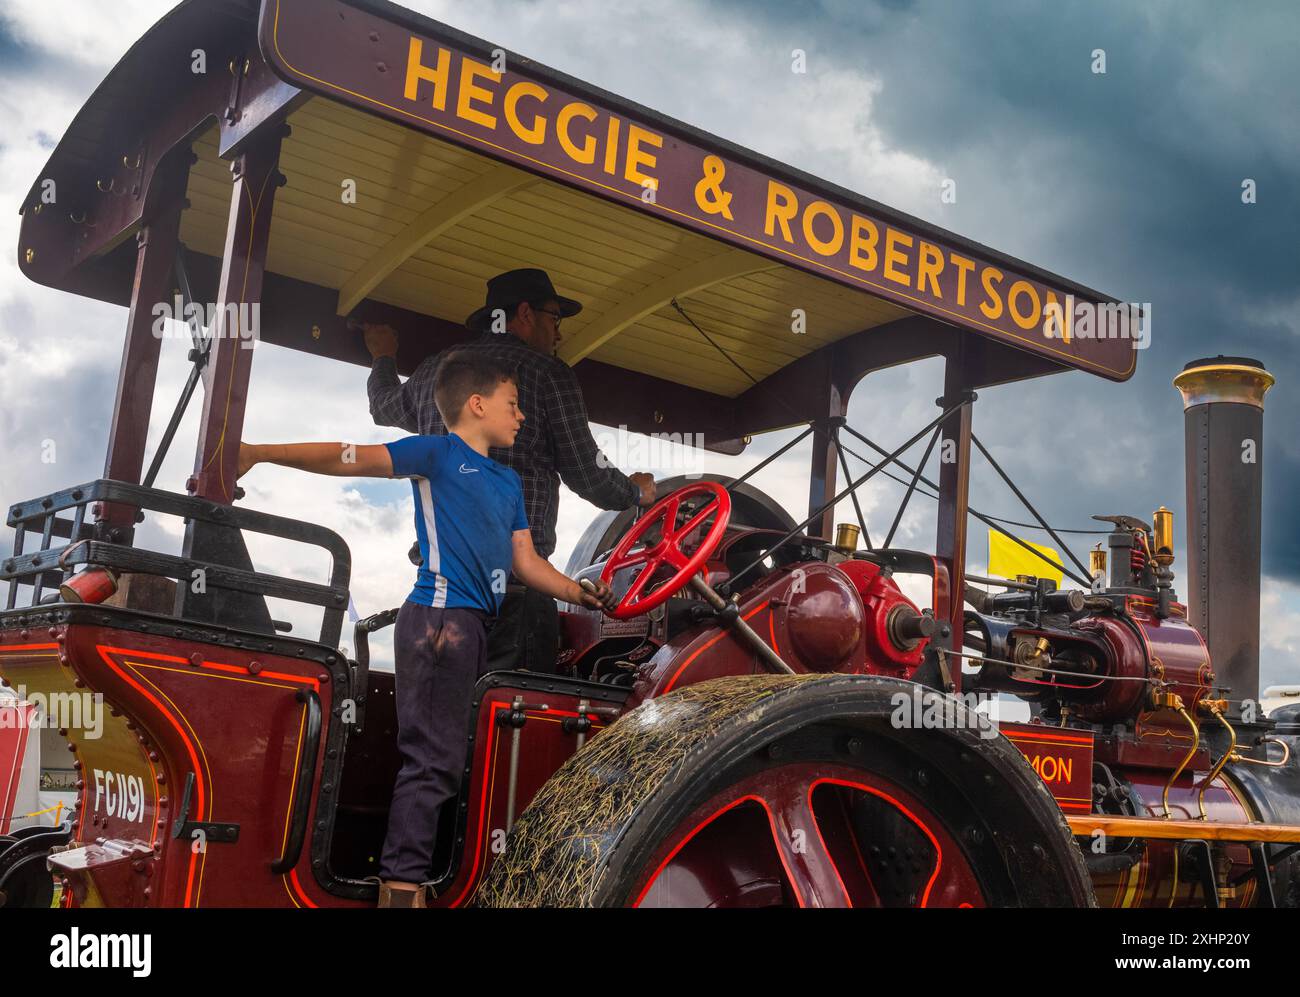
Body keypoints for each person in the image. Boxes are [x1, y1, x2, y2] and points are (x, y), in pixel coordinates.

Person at [237, 350, 615, 908]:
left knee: (460, 755)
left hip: (473, 625)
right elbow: (348, 458)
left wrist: (579, 592)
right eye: (513, 405)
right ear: (477, 404)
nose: (522, 417)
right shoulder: (435, 454)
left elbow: (526, 563)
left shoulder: (509, 483)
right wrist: (257, 453)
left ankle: (439, 874)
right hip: (437, 620)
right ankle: (402, 888)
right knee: (433, 758)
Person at [364, 267, 655, 673]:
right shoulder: (548, 375)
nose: (559, 334)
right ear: (525, 313)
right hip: (513, 595)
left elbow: (383, 406)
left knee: (442, 718)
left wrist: (382, 356)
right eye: (555, 319)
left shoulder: (437, 371)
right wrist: (635, 492)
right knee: (508, 718)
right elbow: (588, 473)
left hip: (437, 592)